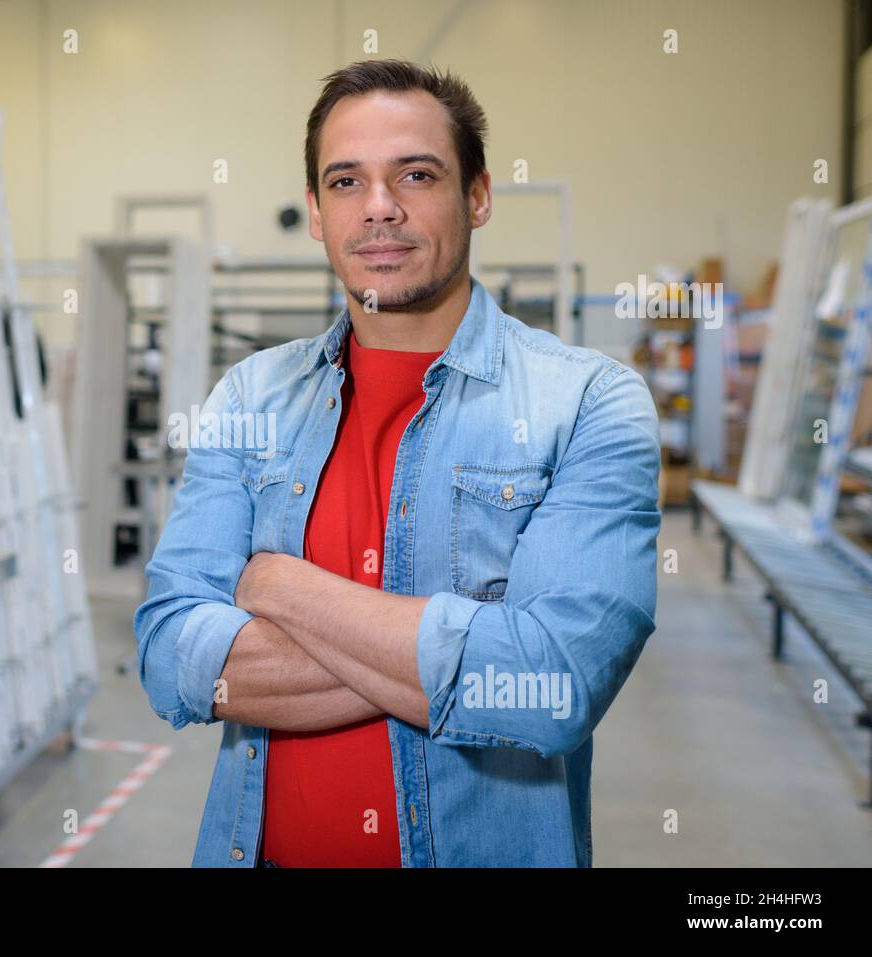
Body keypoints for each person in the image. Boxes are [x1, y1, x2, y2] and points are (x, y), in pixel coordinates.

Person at [133, 58, 661, 867]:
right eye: (346, 181)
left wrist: (278, 585)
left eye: (416, 174)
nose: (379, 207)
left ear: (477, 195)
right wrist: (453, 651)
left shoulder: (589, 403)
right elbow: (172, 655)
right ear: (315, 211)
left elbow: (552, 685)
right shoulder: (251, 395)